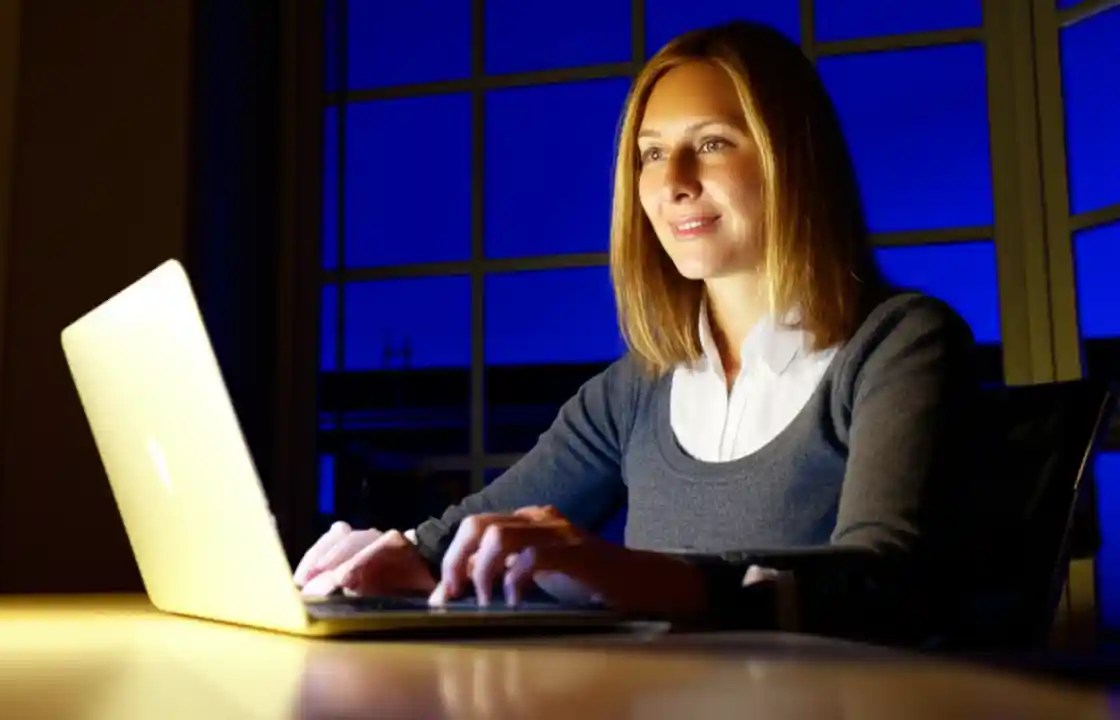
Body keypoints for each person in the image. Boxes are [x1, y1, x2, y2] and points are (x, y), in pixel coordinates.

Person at [294, 21, 981, 644]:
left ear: (791, 160)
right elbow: (463, 535)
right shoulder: (636, 387)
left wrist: (639, 577)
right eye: (652, 154)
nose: (672, 182)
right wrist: (392, 555)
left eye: (711, 144)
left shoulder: (901, 343)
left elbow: (886, 585)